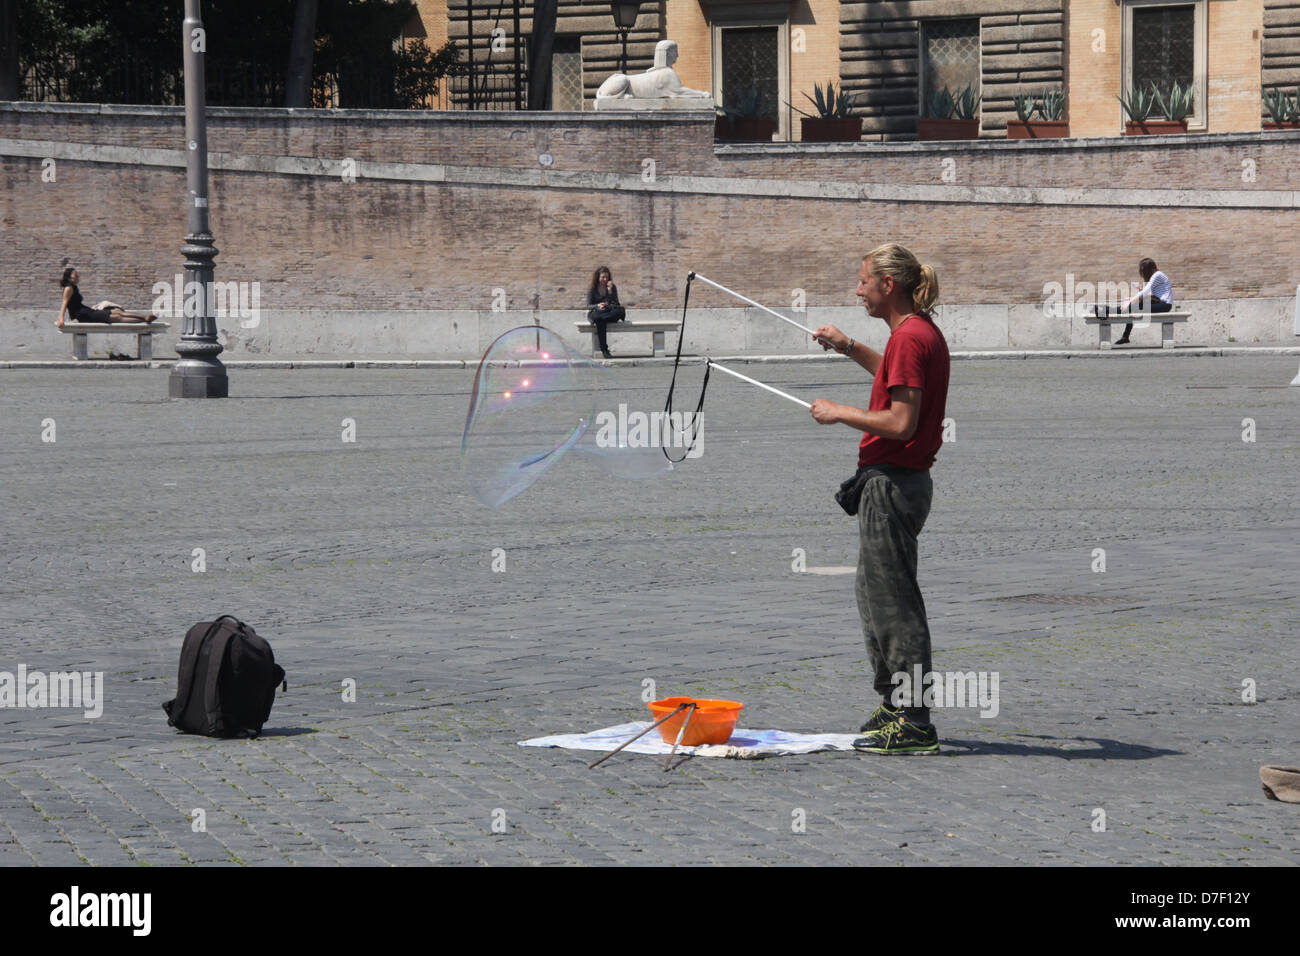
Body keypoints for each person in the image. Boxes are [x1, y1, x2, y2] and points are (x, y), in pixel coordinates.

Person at [810, 243, 950, 755]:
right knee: (876, 597)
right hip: (891, 482)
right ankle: (895, 705)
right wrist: (848, 346)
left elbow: (901, 421)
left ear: (888, 285)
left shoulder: (911, 337)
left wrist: (839, 413)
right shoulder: (910, 334)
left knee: (893, 603)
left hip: (894, 484)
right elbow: (893, 378)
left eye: (863, 279)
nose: (858, 288)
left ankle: (914, 719)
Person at [1094, 257, 1173, 345]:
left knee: (1133, 306)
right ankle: (1125, 336)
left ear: (1147, 270)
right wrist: (1135, 296)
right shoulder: (1158, 275)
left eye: (1142, 271)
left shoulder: (1157, 275)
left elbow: (1146, 292)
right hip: (1161, 303)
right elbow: (1151, 294)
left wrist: (1130, 302)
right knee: (1134, 305)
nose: (1142, 274)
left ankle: (1105, 310)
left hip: (1164, 305)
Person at [56, 265, 156, 328]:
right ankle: (144, 319)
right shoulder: (68, 288)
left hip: (87, 311)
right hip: (83, 315)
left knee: (117, 311)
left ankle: (144, 317)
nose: (78, 277)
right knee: (117, 317)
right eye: (75, 275)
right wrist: (61, 319)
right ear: (69, 277)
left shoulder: (74, 287)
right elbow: (64, 303)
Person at [586, 266, 625, 359]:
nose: (605, 279)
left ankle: (599, 319)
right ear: (598, 277)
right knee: (599, 319)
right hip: (598, 312)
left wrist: (610, 291)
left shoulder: (612, 287)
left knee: (619, 311)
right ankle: (605, 350)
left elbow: (616, 303)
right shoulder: (592, 289)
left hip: (608, 312)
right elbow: (588, 305)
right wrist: (598, 305)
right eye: (603, 277)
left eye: (607, 277)